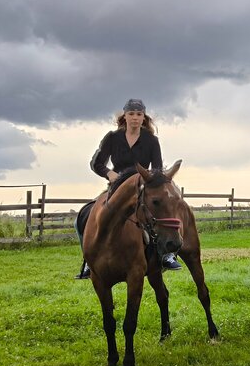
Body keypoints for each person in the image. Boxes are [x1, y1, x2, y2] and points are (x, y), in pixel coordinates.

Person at [74, 98, 182, 279]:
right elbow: (96, 163)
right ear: (124, 116)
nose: (135, 117)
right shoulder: (112, 137)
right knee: (82, 217)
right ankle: (88, 260)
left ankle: (166, 255)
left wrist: (152, 181)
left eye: (139, 114)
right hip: (116, 188)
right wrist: (109, 173)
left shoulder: (151, 140)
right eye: (131, 114)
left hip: (142, 188)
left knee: (158, 214)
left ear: (143, 117)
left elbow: (157, 169)